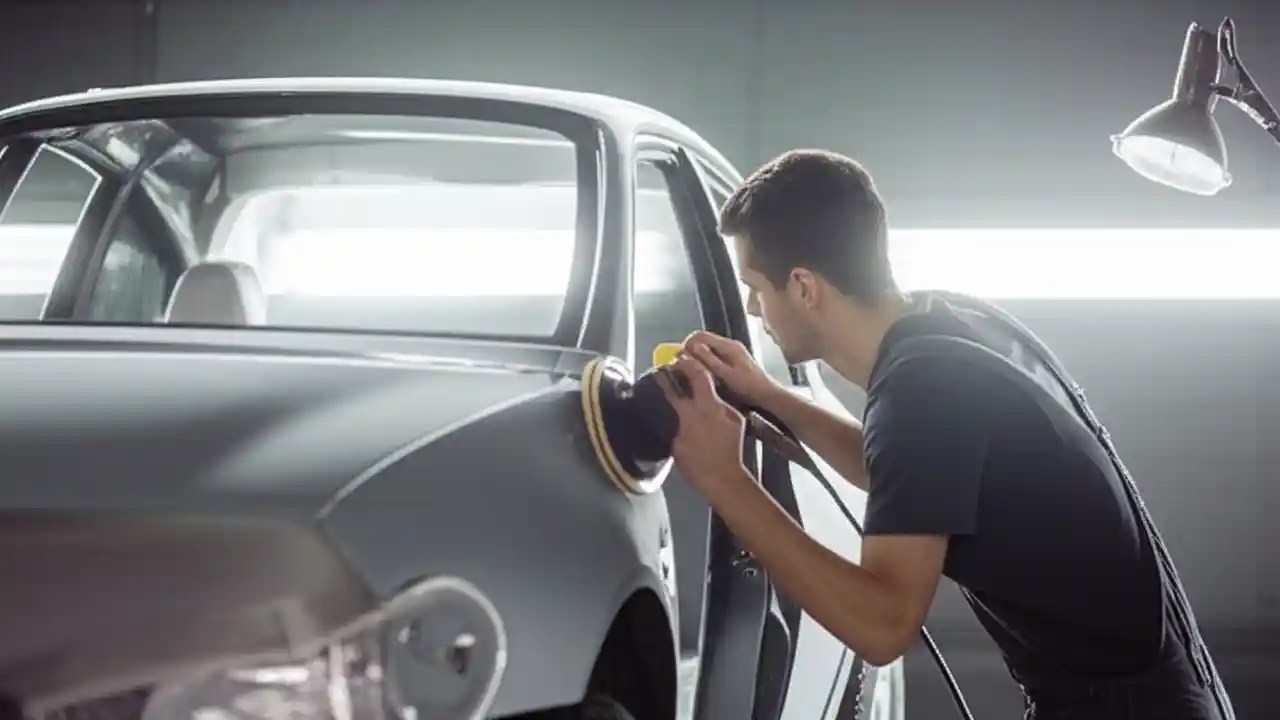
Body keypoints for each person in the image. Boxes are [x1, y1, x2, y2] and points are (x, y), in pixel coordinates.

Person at [652, 149, 1230, 719]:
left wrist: (722, 478)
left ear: (804, 286)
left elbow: (882, 626)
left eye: (756, 287)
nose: (753, 309)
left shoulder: (921, 394)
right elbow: (912, 473)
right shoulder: (946, 332)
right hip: (1160, 692)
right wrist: (773, 398)